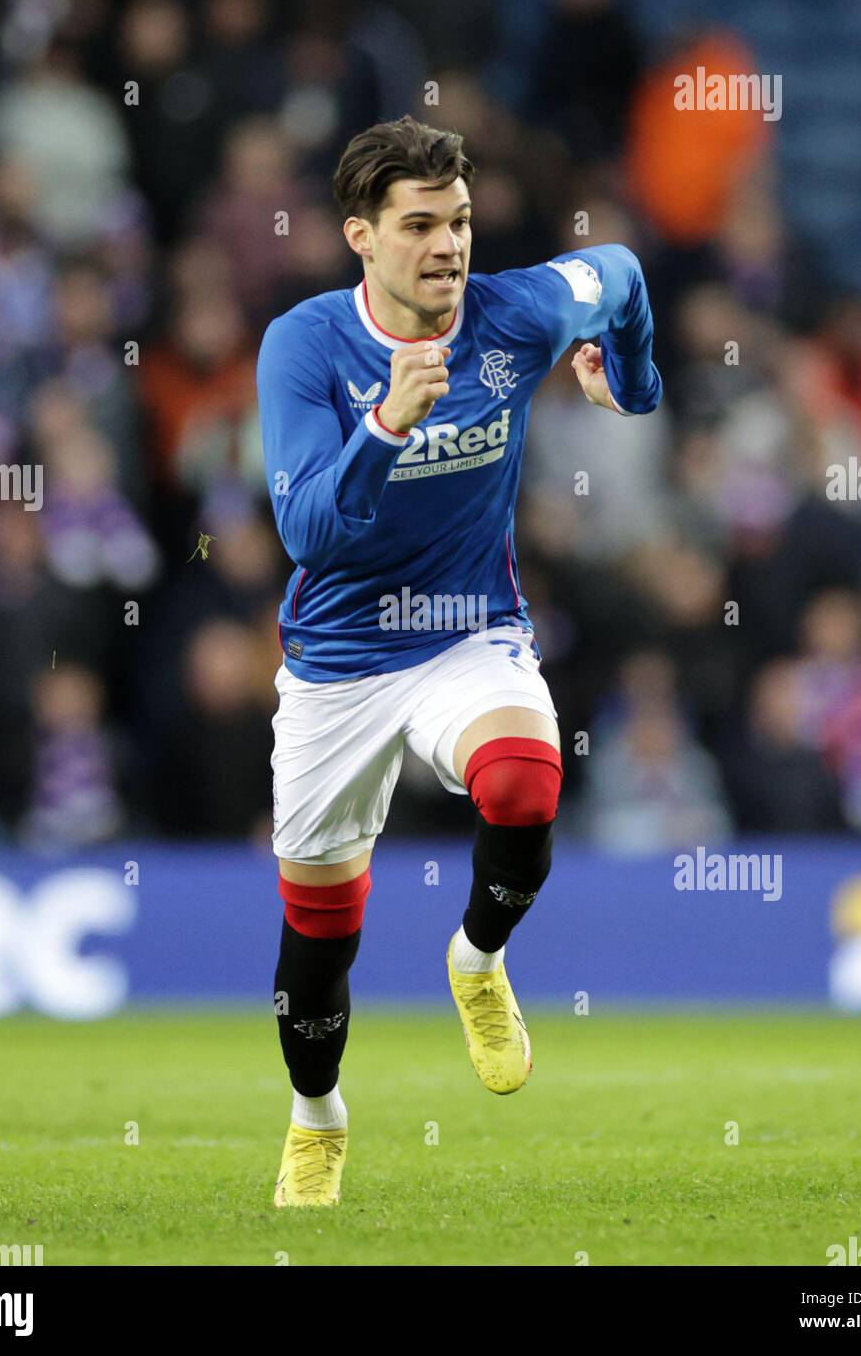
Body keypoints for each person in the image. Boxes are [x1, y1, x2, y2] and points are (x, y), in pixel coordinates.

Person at [257, 115, 662, 1206]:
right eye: (421, 224)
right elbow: (307, 533)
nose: (448, 246)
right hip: (338, 664)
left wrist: (626, 382)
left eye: (462, 221)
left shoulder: (513, 315)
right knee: (317, 948)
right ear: (361, 235)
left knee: (527, 782)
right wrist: (385, 423)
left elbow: (618, 273)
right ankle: (317, 1118)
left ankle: (477, 956)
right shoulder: (304, 346)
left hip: (465, 629)